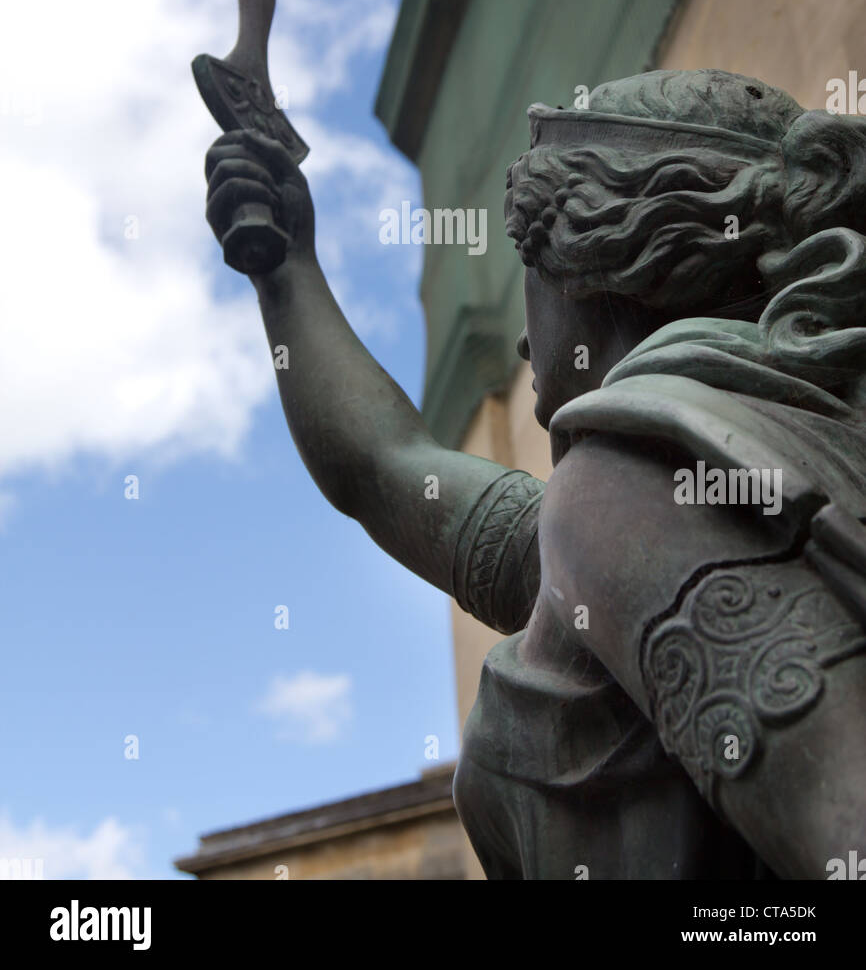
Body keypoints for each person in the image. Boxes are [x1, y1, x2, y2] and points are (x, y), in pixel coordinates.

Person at [204, 68, 866, 880]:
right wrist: (286, 267)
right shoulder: (667, 489)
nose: (525, 343)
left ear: (588, 261)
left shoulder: (628, 487)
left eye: (528, 267)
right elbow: (385, 468)